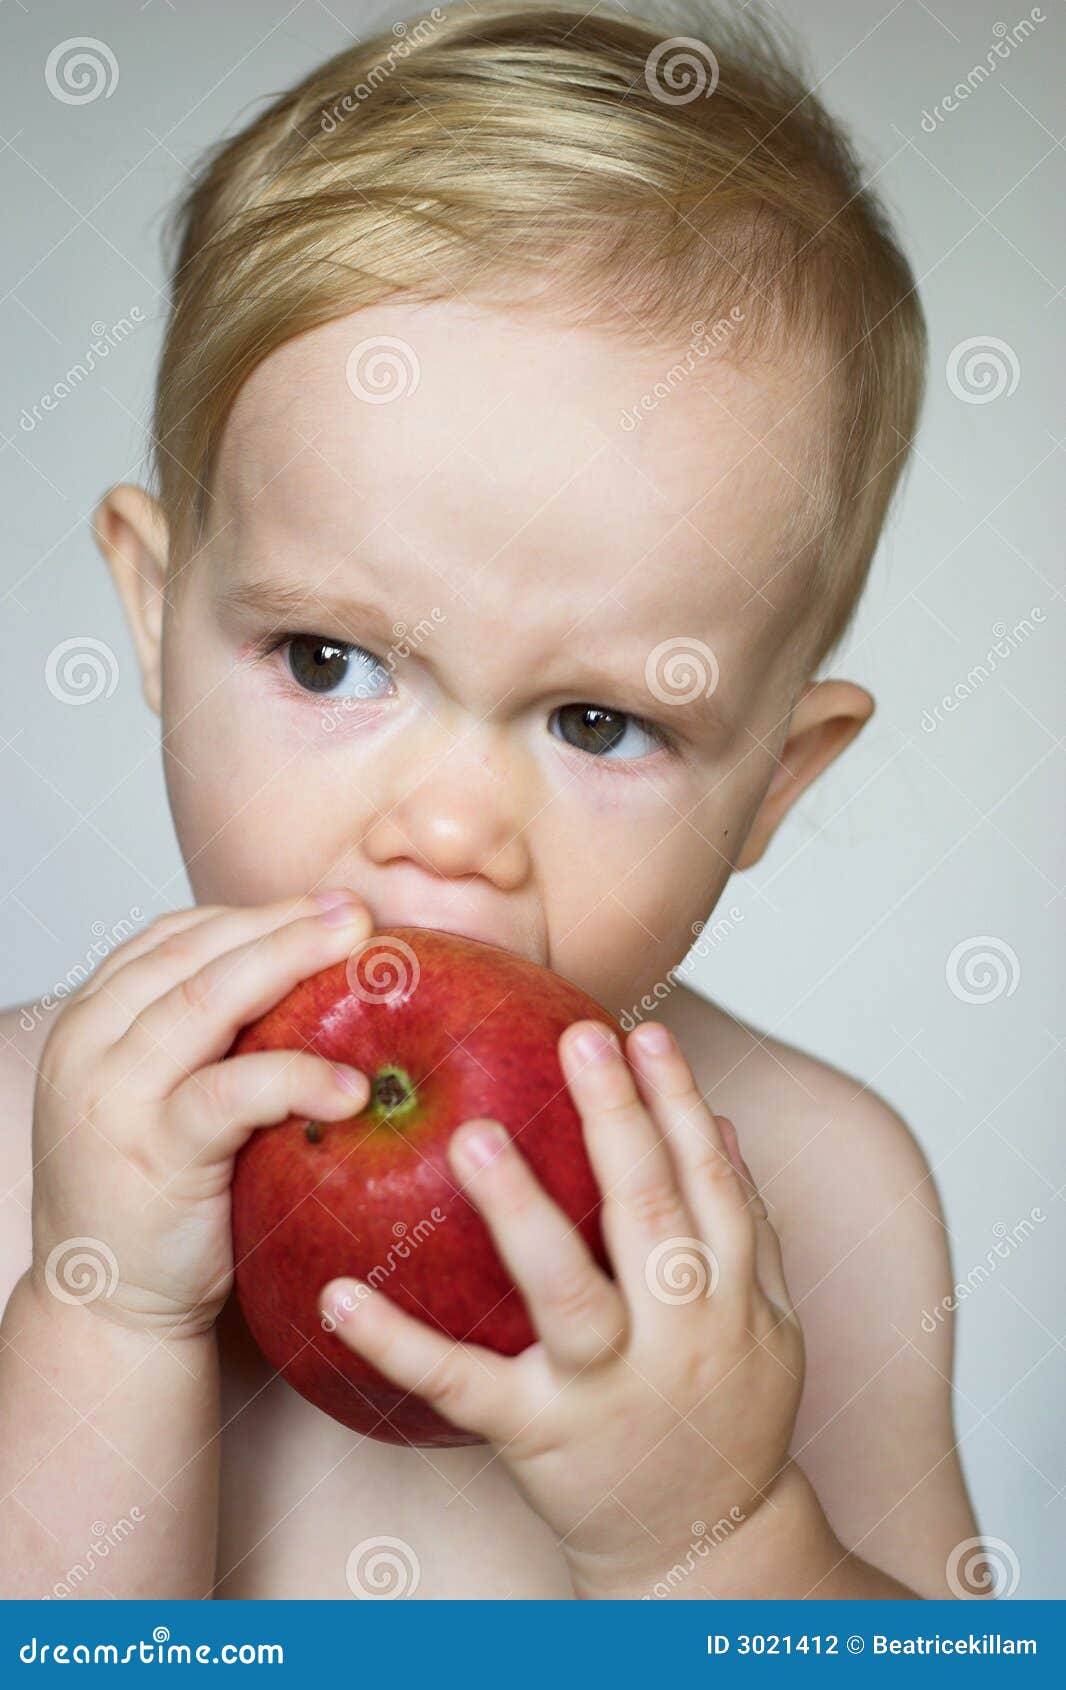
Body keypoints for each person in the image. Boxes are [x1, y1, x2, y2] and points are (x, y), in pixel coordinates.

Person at [0, 1, 981, 1599]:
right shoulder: (26, 1138)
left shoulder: (816, 1191)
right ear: (158, 615)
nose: (448, 827)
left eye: (600, 720)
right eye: (328, 660)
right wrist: (101, 1311)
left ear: (770, 781)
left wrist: (721, 1532)